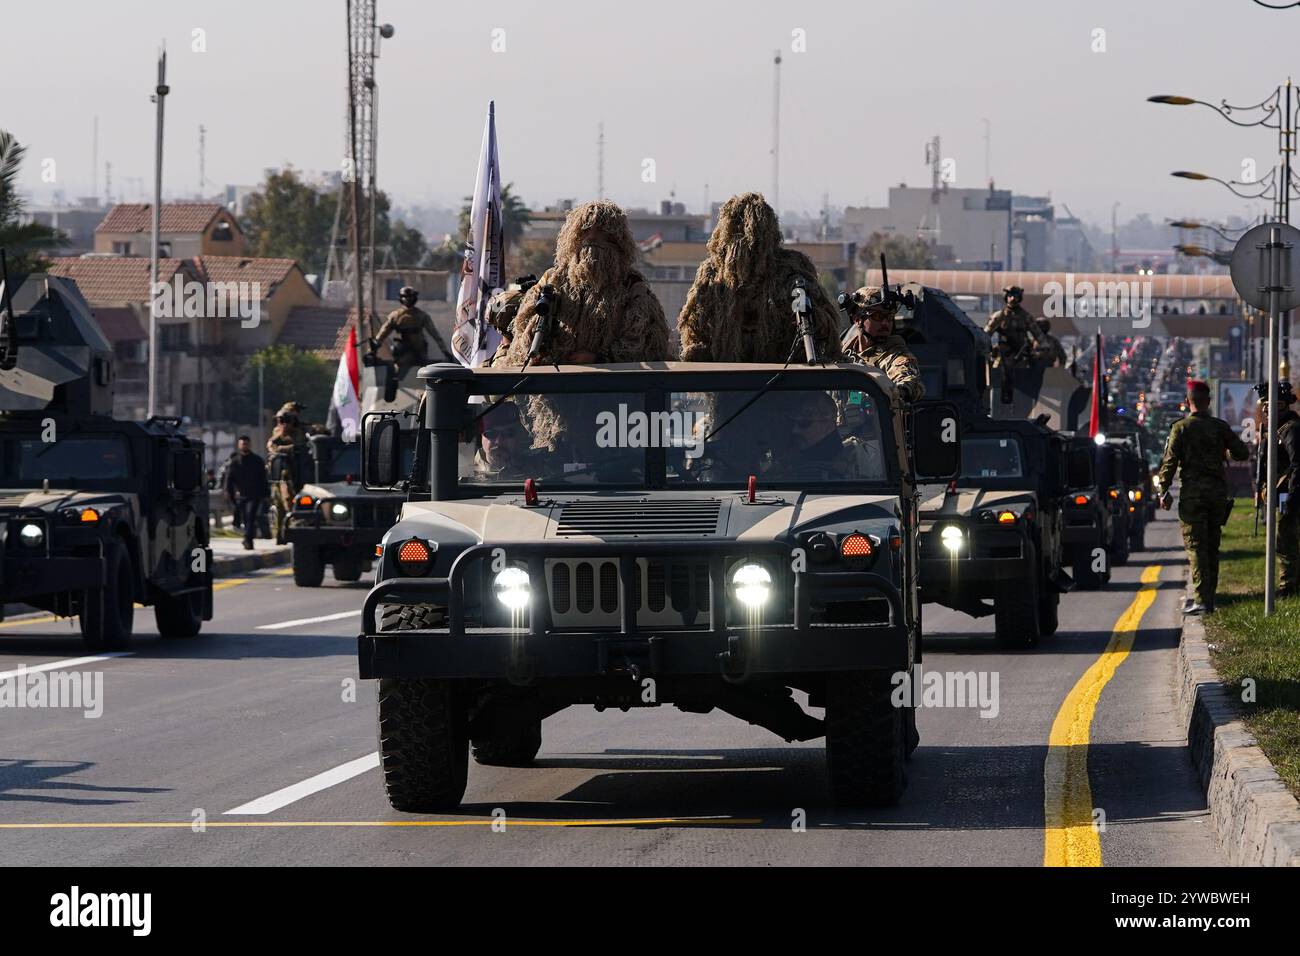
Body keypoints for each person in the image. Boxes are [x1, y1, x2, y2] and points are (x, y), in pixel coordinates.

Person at [494, 200, 673, 450]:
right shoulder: (552, 283)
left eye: (603, 235)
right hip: (556, 408)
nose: (593, 241)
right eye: (585, 233)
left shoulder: (632, 289)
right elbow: (522, 341)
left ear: (618, 242)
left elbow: (648, 347)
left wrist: (600, 359)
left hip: (615, 418)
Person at [677, 192, 841, 363]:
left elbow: (824, 328)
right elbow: (694, 330)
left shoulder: (791, 271)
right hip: (725, 377)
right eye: (738, 235)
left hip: (784, 377)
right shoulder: (711, 277)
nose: (747, 246)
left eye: (754, 241)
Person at [1155, 380, 1250, 614]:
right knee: (1211, 545)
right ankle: (1210, 598)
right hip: (1217, 493)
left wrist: (1163, 491)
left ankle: (1201, 600)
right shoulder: (1220, 427)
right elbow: (1242, 453)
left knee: (1196, 546)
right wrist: (1221, 449)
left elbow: (1169, 463)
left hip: (1193, 495)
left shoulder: (1181, 428)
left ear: (1187, 402)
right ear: (1208, 401)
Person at [766, 391, 880, 481]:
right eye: (793, 424)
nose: (795, 430)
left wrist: (857, 400)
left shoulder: (859, 458)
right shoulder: (787, 461)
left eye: (803, 424)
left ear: (828, 425)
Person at [841, 285, 925, 403]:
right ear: (857, 320)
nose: (885, 323)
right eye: (877, 316)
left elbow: (910, 382)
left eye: (889, 316)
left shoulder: (895, 356)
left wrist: (898, 392)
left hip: (874, 421)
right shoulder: (842, 354)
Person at [1256, 381, 1300, 596]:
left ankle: (1288, 586)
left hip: (1291, 494)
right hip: (1280, 494)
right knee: (1283, 539)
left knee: (1286, 541)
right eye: (1263, 404)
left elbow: (1297, 464)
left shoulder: (1291, 429)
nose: (1265, 408)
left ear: (1283, 405)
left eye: (1270, 403)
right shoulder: (1274, 429)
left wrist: (1292, 497)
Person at [371, 287, 454, 371]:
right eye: (405, 296)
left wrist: (444, 350)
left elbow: (434, 334)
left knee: (421, 371)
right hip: (402, 350)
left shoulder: (421, 315)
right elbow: (384, 332)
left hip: (418, 349)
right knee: (400, 371)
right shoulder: (395, 316)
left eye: (410, 296)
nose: (407, 299)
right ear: (400, 298)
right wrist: (375, 345)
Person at [985, 286, 1044, 403]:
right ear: (1006, 297)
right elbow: (985, 334)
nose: (1012, 299)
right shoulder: (999, 316)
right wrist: (988, 349)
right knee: (998, 381)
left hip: (1021, 358)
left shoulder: (1026, 317)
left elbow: (1039, 335)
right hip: (1002, 357)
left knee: (1022, 388)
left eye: (1015, 296)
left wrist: (1040, 351)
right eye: (1010, 296)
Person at [471, 402, 544, 480]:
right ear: (481, 437)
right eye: (491, 434)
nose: (498, 441)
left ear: (518, 437)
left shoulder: (540, 469)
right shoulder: (464, 477)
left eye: (507, 434)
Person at [224, 435, 270, 551]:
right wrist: (229, 493)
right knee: (245, 518)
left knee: (250, 516)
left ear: (249, 445)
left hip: (255, 495)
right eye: (242, 444)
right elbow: (229, 479)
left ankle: (248, 540)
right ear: (239, 445)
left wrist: (266, 495)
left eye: (246, 444)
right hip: (241, 496)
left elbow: (263, 479)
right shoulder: (235, 462)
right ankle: (248, 537)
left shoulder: (257, 461)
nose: (245, 446)